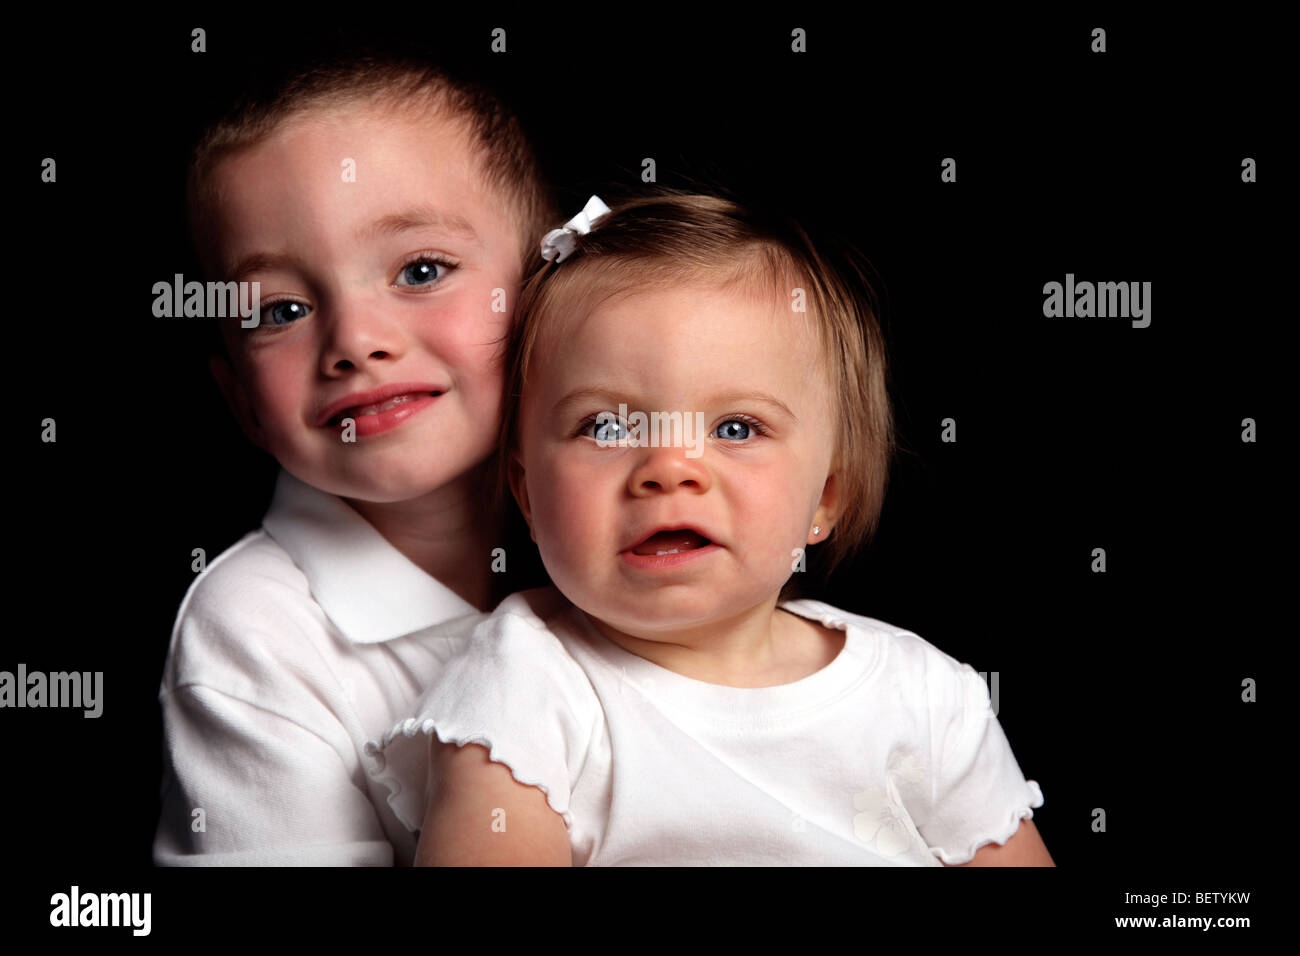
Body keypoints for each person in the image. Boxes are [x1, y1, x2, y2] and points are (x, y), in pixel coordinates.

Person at [367, 190, 1055, 866]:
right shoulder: (526, 686)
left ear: (827, 498)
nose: (668, 469)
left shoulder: (924, 698)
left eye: (735, 428)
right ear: (527, 493)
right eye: (606, 427)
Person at [153, 53, 557, 865]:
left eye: (421, 270)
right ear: (239, 400)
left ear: (547, 290)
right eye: (284, 310)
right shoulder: (253, 634)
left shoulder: (638, 519)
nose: (355, 342)